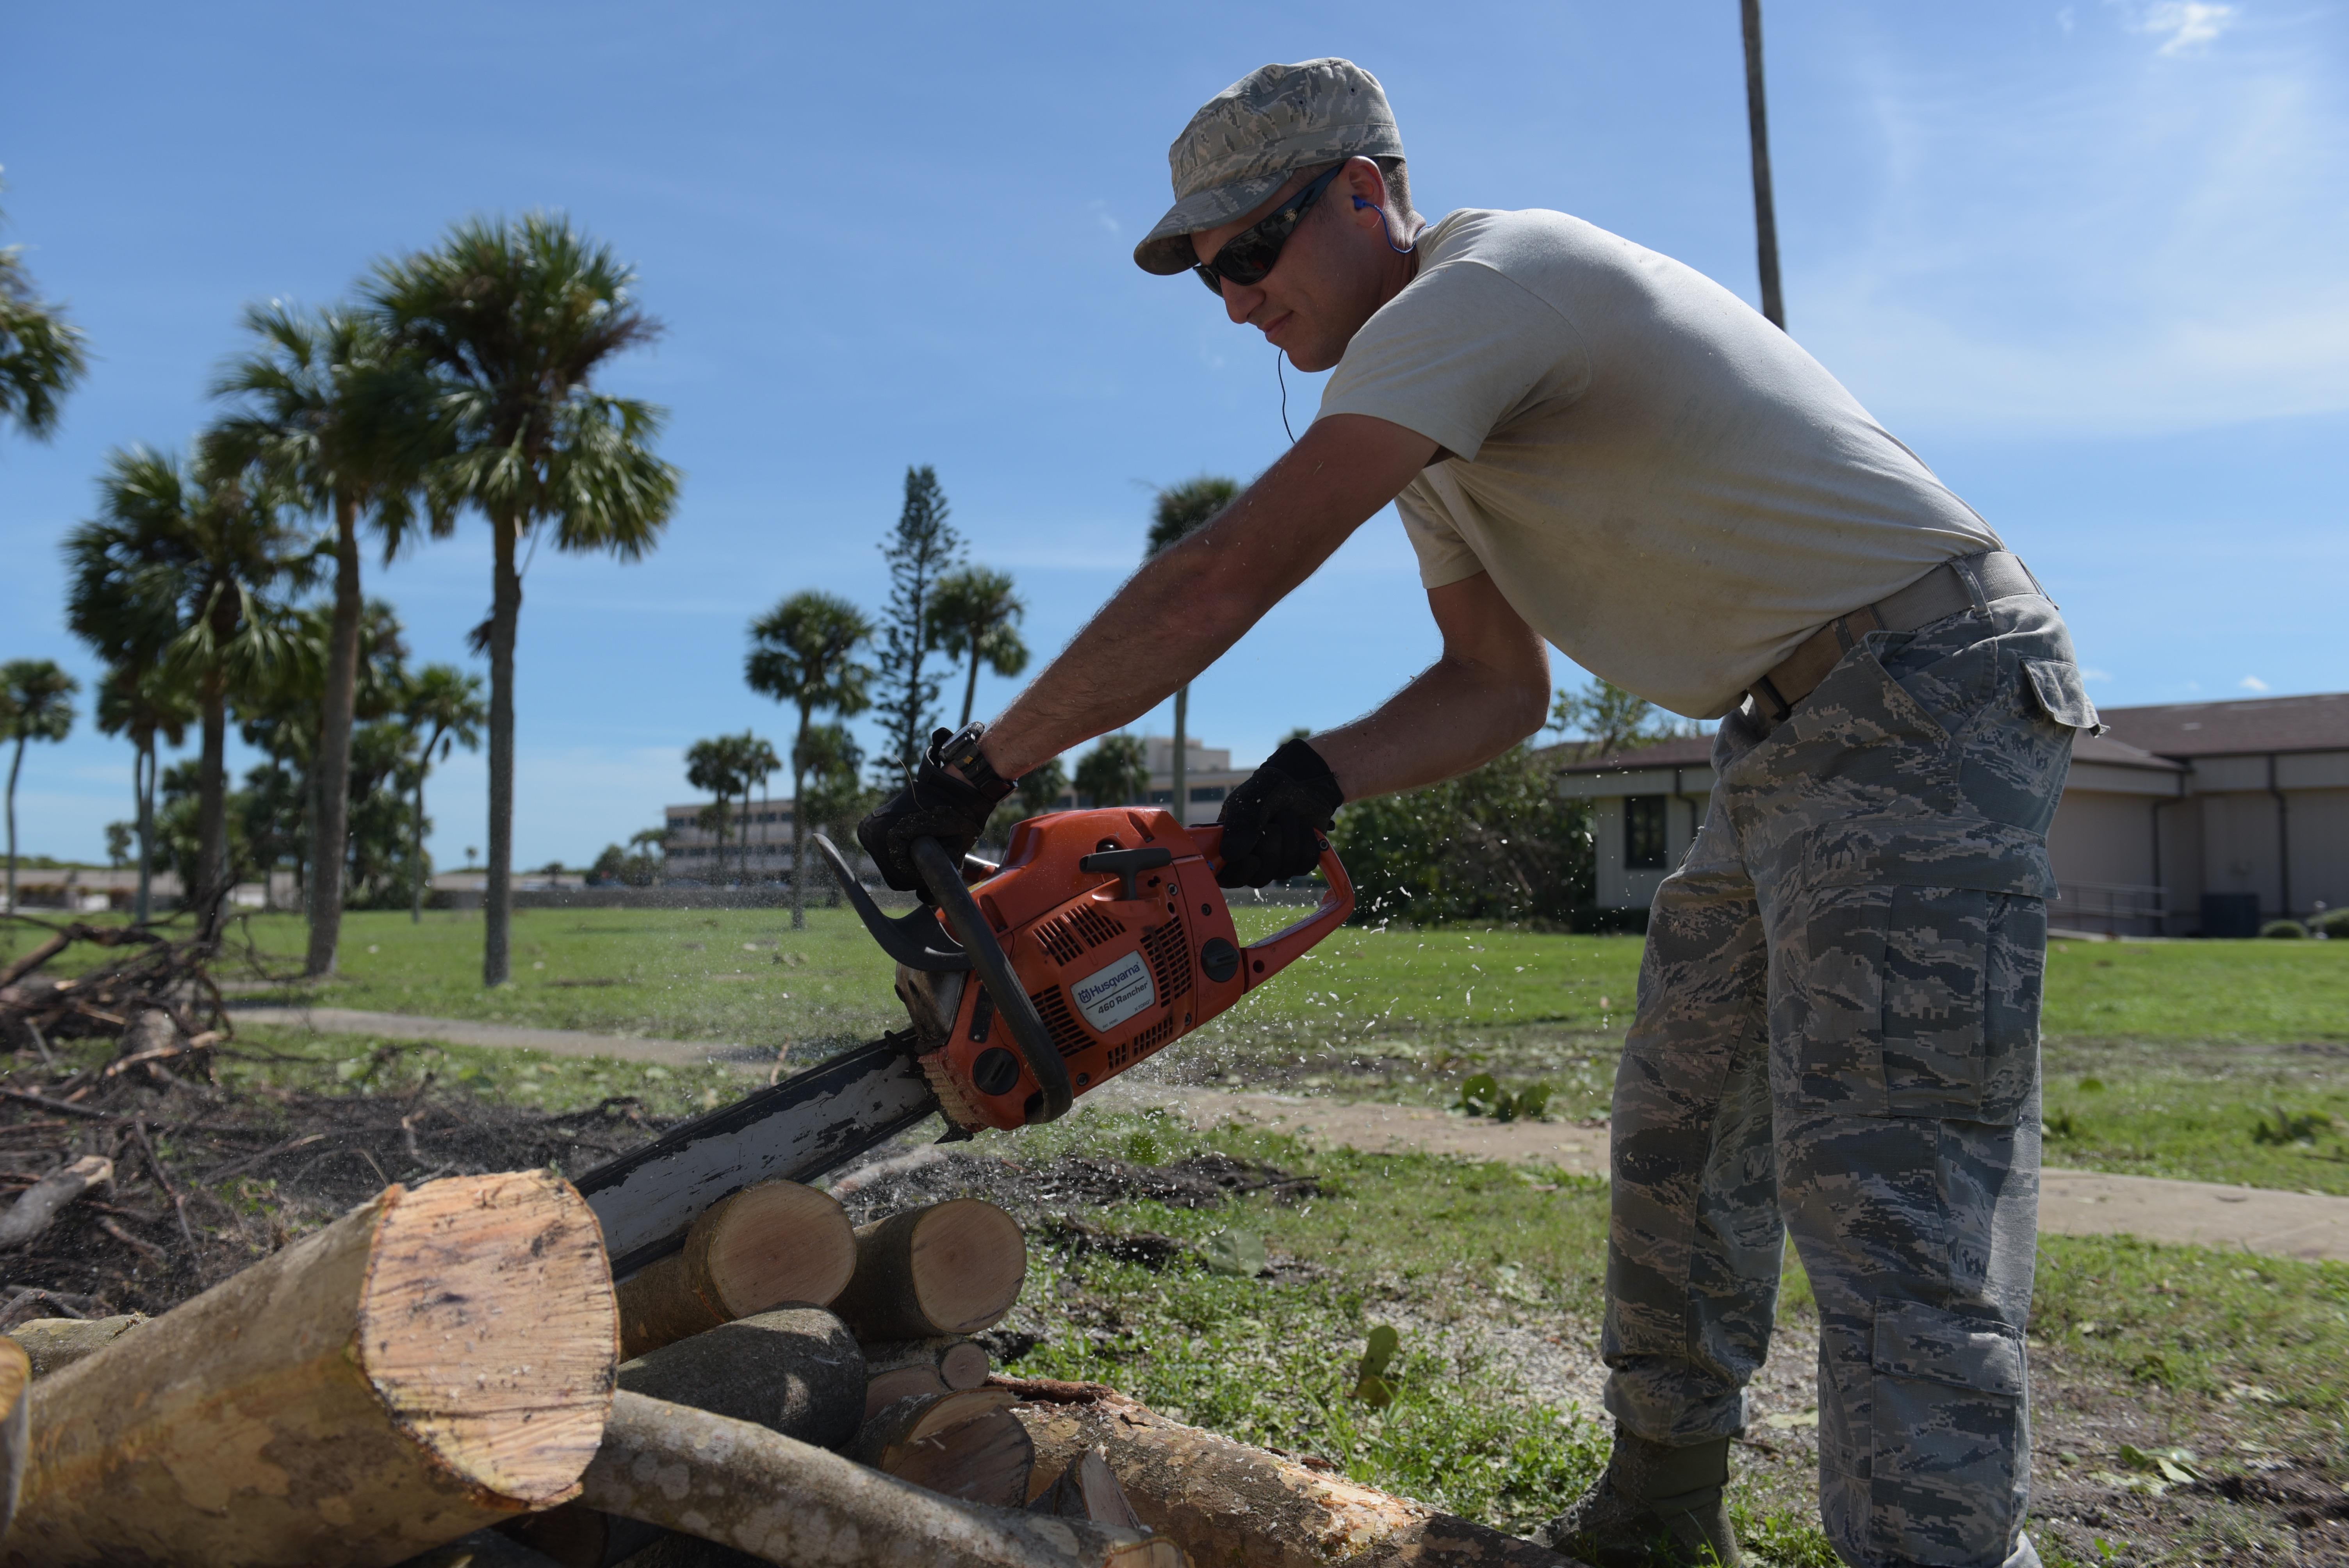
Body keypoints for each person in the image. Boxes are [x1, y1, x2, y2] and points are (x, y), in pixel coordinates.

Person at [858, 57, 2094, 1568]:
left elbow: (1220, 579)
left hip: (1919, 687)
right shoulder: (1432, 414)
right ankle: (1658, 1512)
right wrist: (1318, 774)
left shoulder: (1480, 290)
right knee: (1681, 1120)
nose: (1238, 302)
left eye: (1252, 252)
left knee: (1887, 1187)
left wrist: (980, 767)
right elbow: (1497, 685)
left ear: (1361, 194)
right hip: (1784, 733)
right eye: (1212, 276)